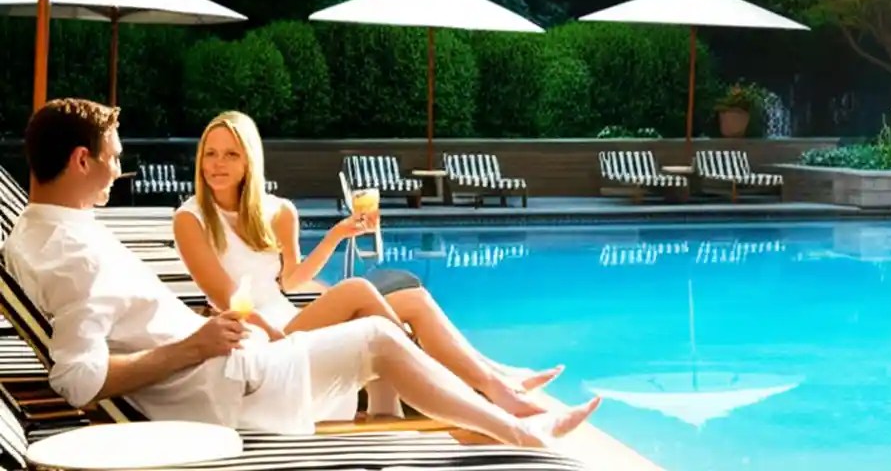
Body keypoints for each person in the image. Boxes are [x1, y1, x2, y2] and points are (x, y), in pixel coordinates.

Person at [2, 98, 600, 445]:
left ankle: (489, 411)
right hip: (223, 388)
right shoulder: (71, 251)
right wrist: (198, 343)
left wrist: (213, 335)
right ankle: (517, 429)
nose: (119, 171)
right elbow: (76, 381)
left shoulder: (43, 232)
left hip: (229, 364)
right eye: (114, 160)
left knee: (383, 319)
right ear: (82, 159)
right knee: (378, 333)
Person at [172, 110, 555, 418]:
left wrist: (338, 234)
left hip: (288, 318)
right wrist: (278, 336)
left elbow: (291, 280)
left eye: (230, 154)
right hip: (254, 336)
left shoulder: (277, 211)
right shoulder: (191, 219)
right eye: (211, 153)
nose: (217, 164)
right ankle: (478, 388)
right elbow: (226, 300)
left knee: (413, 298)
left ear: (249, 161)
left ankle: (492, 379)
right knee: (357, 291)